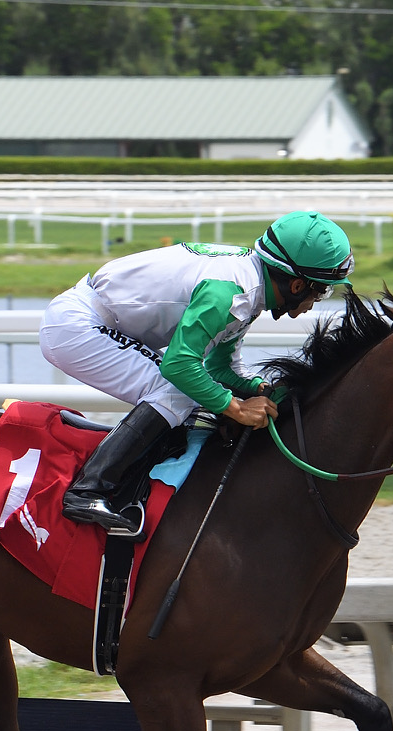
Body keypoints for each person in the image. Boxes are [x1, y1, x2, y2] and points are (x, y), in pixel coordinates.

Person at [39, 211, 356, 530]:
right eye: (322, 291)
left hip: (102, 321)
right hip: (78, 327)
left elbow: (220, 367)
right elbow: (180, 365)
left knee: (189, 395)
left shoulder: (250, 284)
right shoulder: (230, 293)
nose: (316, 303)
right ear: (298, 284)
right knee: (175, 392)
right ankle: (88, 489)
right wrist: (236, 408)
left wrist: (260, 389)